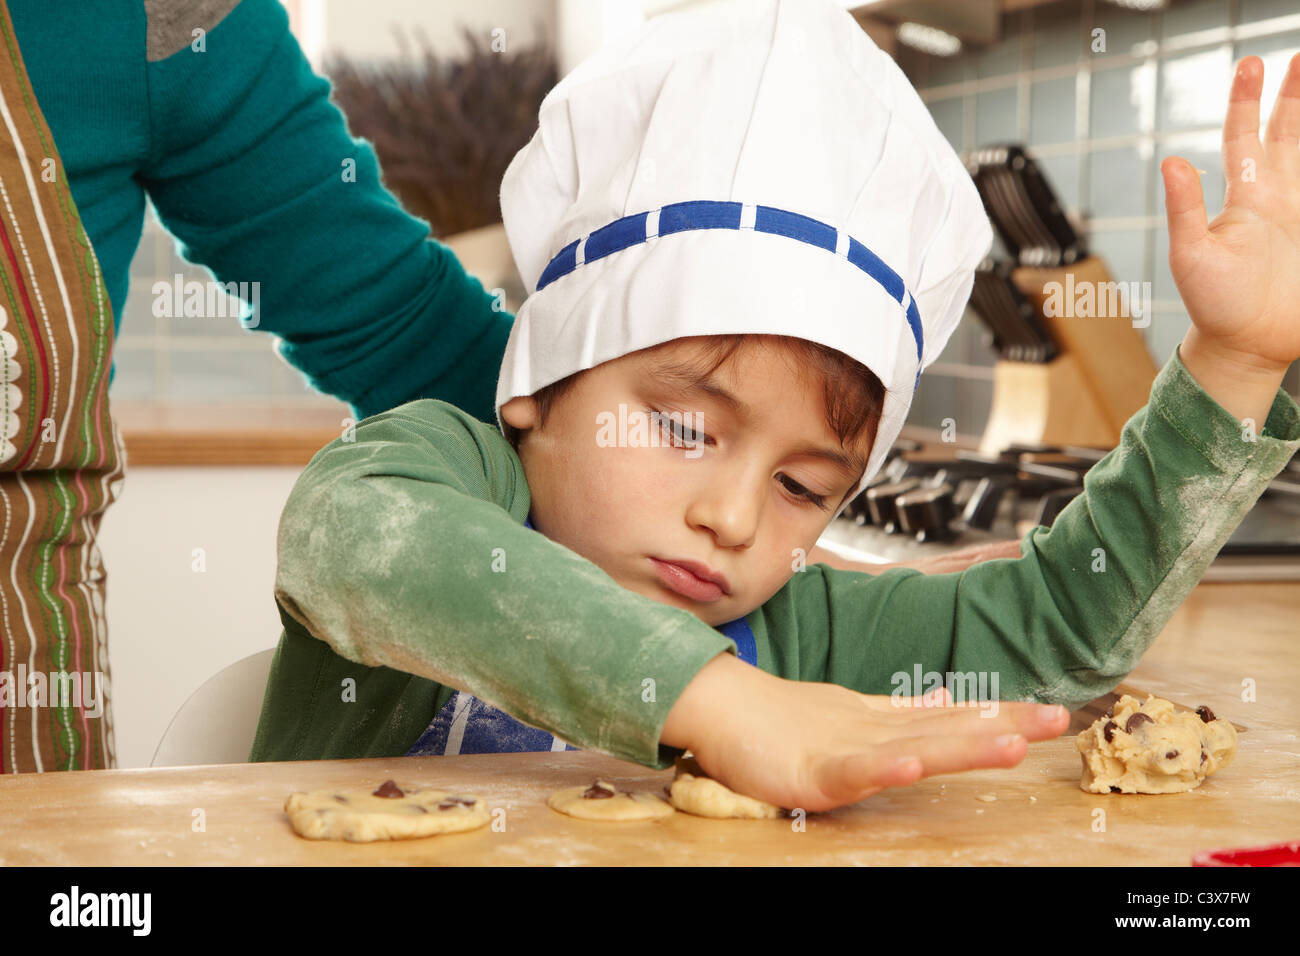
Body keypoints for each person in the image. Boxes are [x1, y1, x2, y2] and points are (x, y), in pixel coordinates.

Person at [258, 0, 1299, 813]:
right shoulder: (447, 476)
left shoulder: (792, 627)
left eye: (804, 486)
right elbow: (359, 539)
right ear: (537, 382)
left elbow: (1055, 630)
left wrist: (1233, 368)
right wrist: (720, 702)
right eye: (681, 428)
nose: (735, 519)